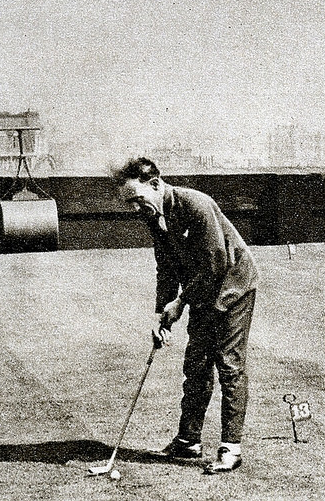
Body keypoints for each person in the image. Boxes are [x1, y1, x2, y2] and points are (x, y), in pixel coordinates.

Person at [113, 157, 258, 474]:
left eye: (137, 200)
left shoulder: (196, 204)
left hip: (233, 285)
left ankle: (231, 449)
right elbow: (165, 269)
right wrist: (159, 314)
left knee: (229, 364)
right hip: (203, 290)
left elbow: (215, 264)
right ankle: (188, 441)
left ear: (155, 184)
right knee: (196, 364)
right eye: (129, 204)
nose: (135, 209)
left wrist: (179, 304)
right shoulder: (154, 217)